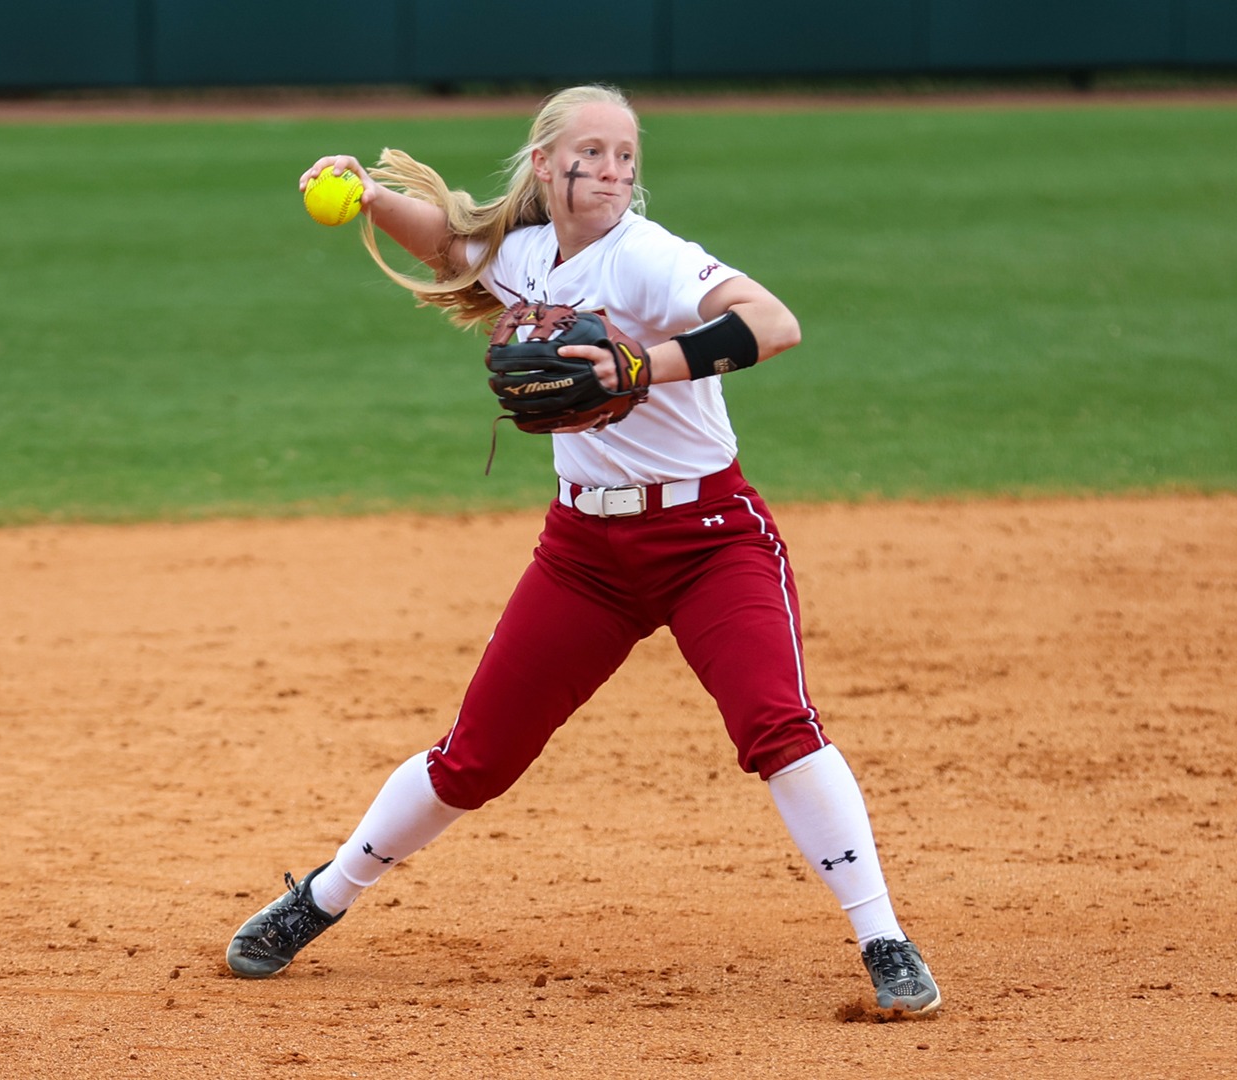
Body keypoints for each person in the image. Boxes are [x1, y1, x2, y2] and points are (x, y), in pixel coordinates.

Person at [224, 84, 940, 1016]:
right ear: (543, 163)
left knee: (777, 726)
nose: (611, 171)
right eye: (591, 153)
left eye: (625, 156)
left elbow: (775, 323)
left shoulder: (648, 257)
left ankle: (883, 938)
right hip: (584, 555)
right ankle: (318, 899)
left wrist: (645, 363)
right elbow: (449, 246)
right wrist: (367, 193)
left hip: (708, 539)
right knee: (475, 758)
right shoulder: (525, 254)